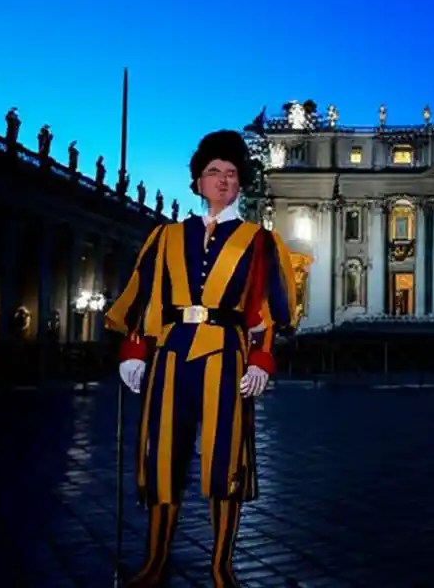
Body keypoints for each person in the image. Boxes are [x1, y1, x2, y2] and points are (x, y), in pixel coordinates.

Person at [104, 129, 311, 587]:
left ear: (241, 184)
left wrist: (261, 359)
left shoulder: (259, 241)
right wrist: (135, 350)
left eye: (231, 174)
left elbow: (268, 307)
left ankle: (221, 567)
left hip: (226, 355)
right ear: (197, 181)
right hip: (171, 354)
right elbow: (145, 296)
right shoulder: (165, 236)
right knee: (162, 459)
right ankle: (155, 561)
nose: (221, 180)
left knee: (225, 461)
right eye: (213, 172)